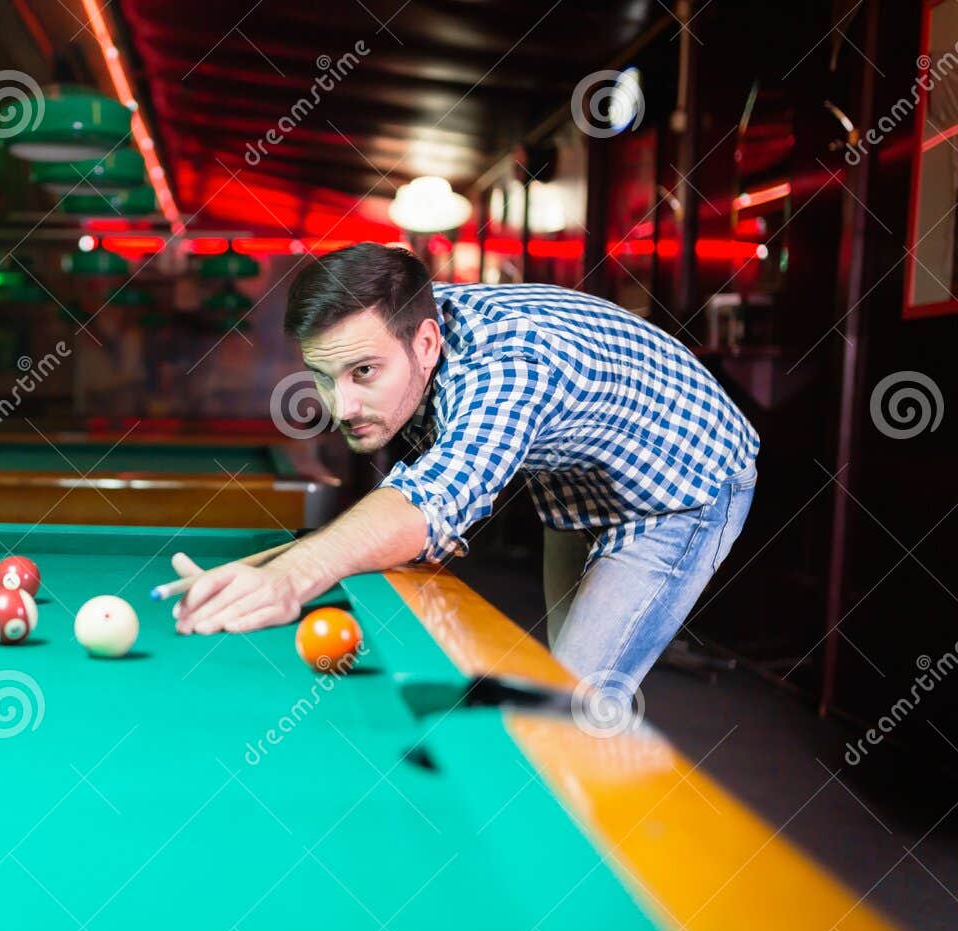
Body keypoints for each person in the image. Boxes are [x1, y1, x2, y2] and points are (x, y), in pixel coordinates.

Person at [172, 242, 759, 693]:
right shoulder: (410, 321)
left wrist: (291, 575)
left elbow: (431, 496)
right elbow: (441, 469)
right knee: (560, 677)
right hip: (576, 482)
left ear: (426, 345)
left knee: (579, 696)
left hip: (682, 485)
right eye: (324, 376)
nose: (339, 407)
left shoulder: (507, 367)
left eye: (363, 373)